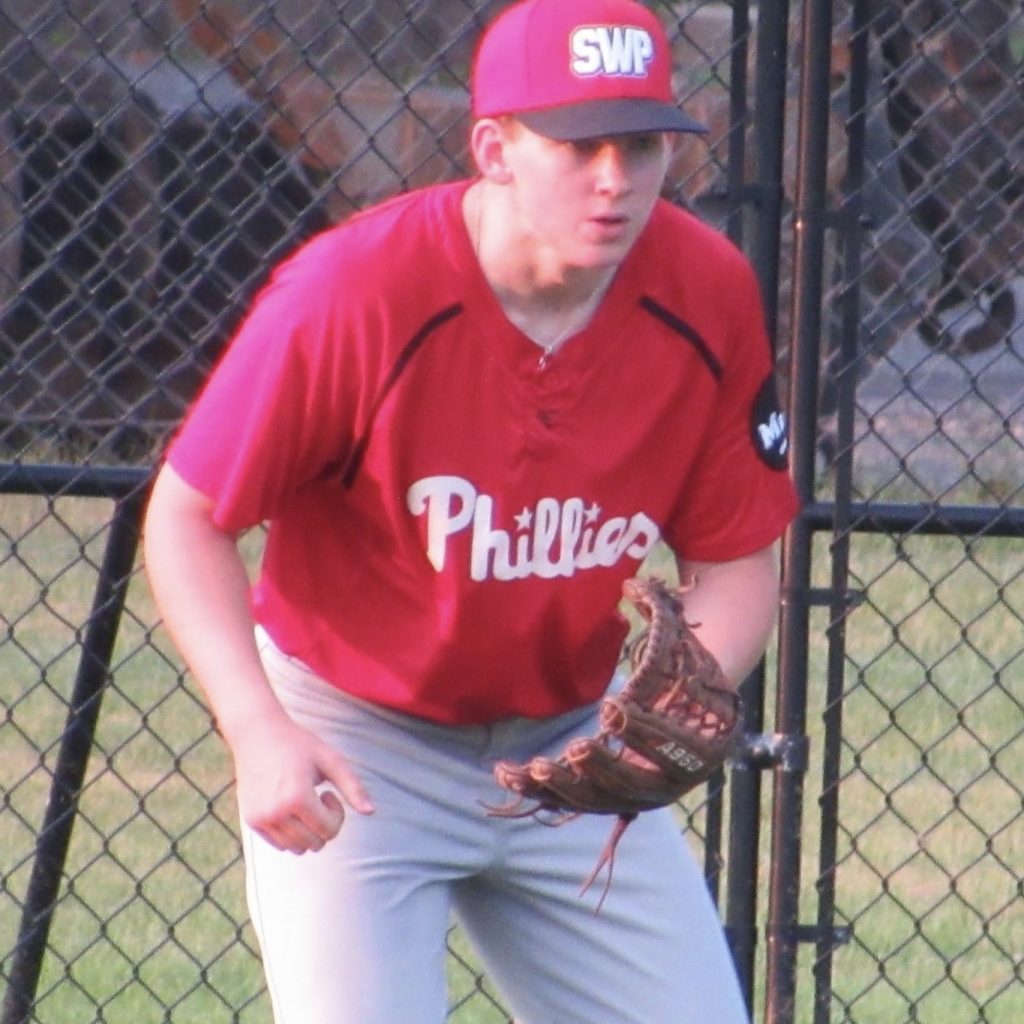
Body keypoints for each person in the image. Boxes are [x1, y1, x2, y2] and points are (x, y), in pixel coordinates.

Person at [143, 0, 801, 1021]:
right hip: (358, 749)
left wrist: (665, 708)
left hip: (568, 751)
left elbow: (740, 555)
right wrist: (256, 726)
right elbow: (187, 517)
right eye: (578, 145)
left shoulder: (704, 291)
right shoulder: (356, 292)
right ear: (493, 147)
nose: (614, 179)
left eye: (642, 145)